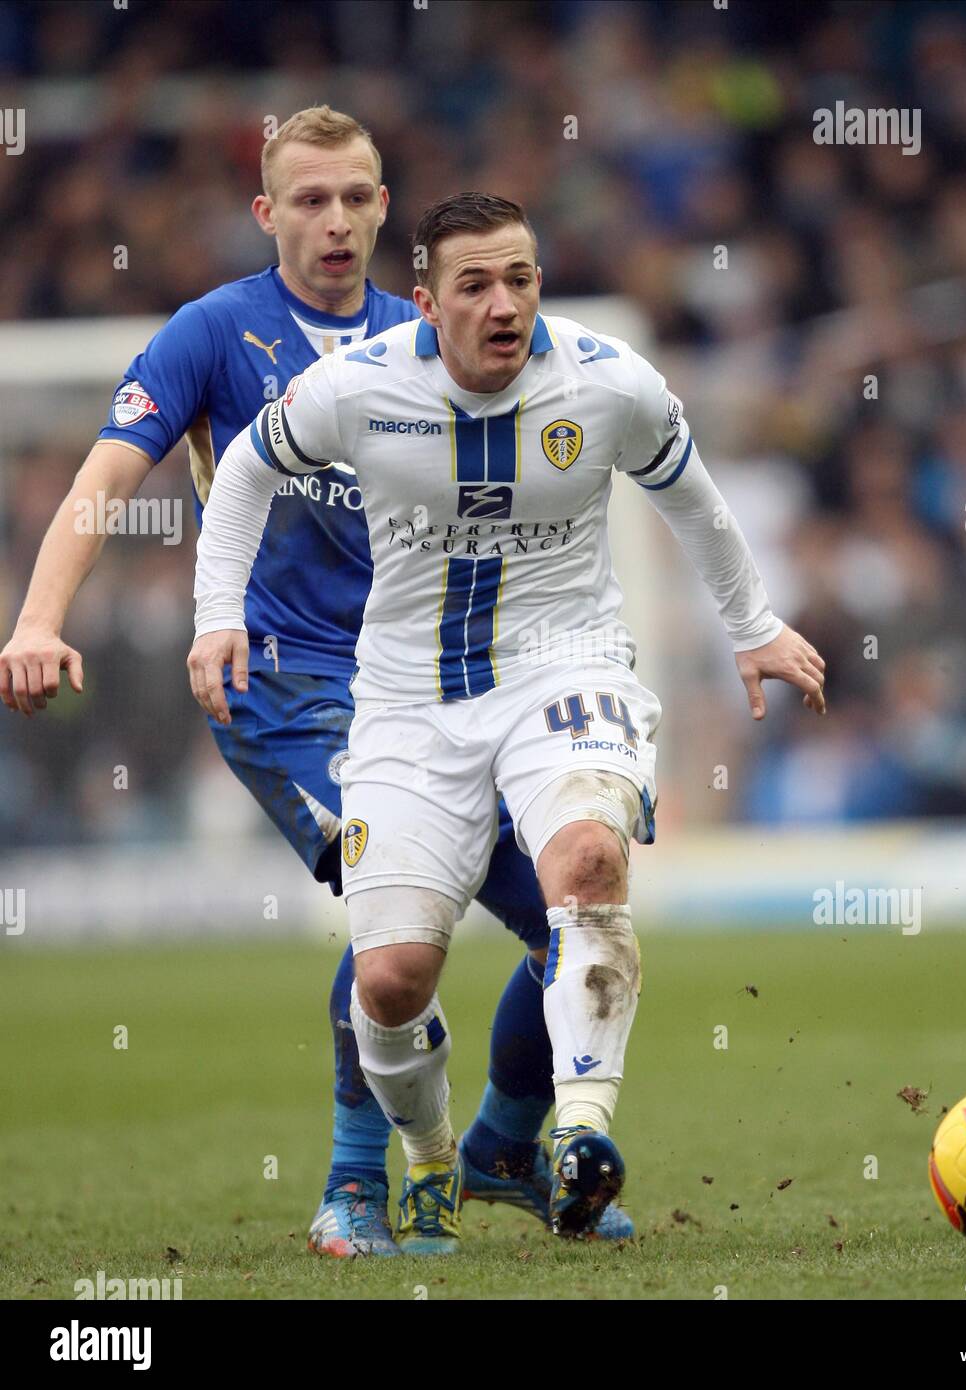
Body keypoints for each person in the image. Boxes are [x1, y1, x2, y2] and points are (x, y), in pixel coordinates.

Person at [0, 109, 630, 1257]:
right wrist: (38, 619)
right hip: (282, 684)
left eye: (354, 198)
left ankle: (498, 1144)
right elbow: (101, 480)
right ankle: (351, 1183)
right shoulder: (211, 334)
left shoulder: (427, 335)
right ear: (266, 213)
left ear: (386, 209)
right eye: (308, 201)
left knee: (568, 915)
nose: (334, 221)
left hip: (437, 692)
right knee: (387, 912)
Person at [188, 191, 827, 1251]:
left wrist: (751, 626)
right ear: (426, 304)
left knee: (584, 864)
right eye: (473, 284)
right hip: (404, 701)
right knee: (391, 978)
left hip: (564, 670)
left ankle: (579, 1138)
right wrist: (219, 618)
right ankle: (437, 1158)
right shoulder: (356, 387)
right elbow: (248, 469)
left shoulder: (608, 382)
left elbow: (692, 499)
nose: (502, 303)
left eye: (519, 278)